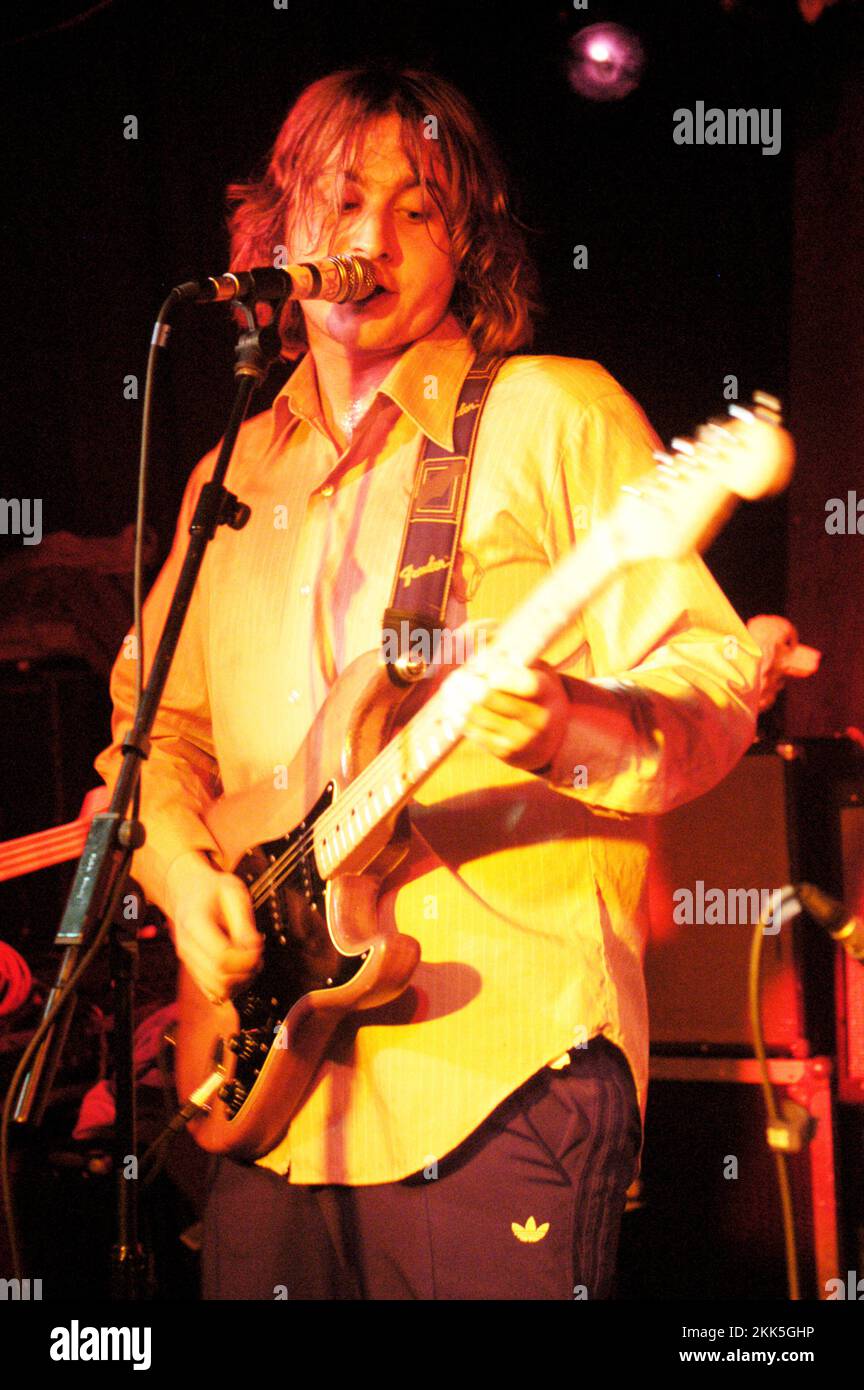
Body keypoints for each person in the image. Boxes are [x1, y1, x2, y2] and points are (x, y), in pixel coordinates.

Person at [94, 65, 762, 1300]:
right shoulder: (226, 476)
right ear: (284, 227)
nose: (374, 241)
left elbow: (713, 680)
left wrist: (565, 724)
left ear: (470, 245)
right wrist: (186, 886)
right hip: (267, 1099)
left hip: (497, 1074)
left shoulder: (552, 416)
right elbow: (152, 749)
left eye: (420, 210)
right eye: (345, 201)